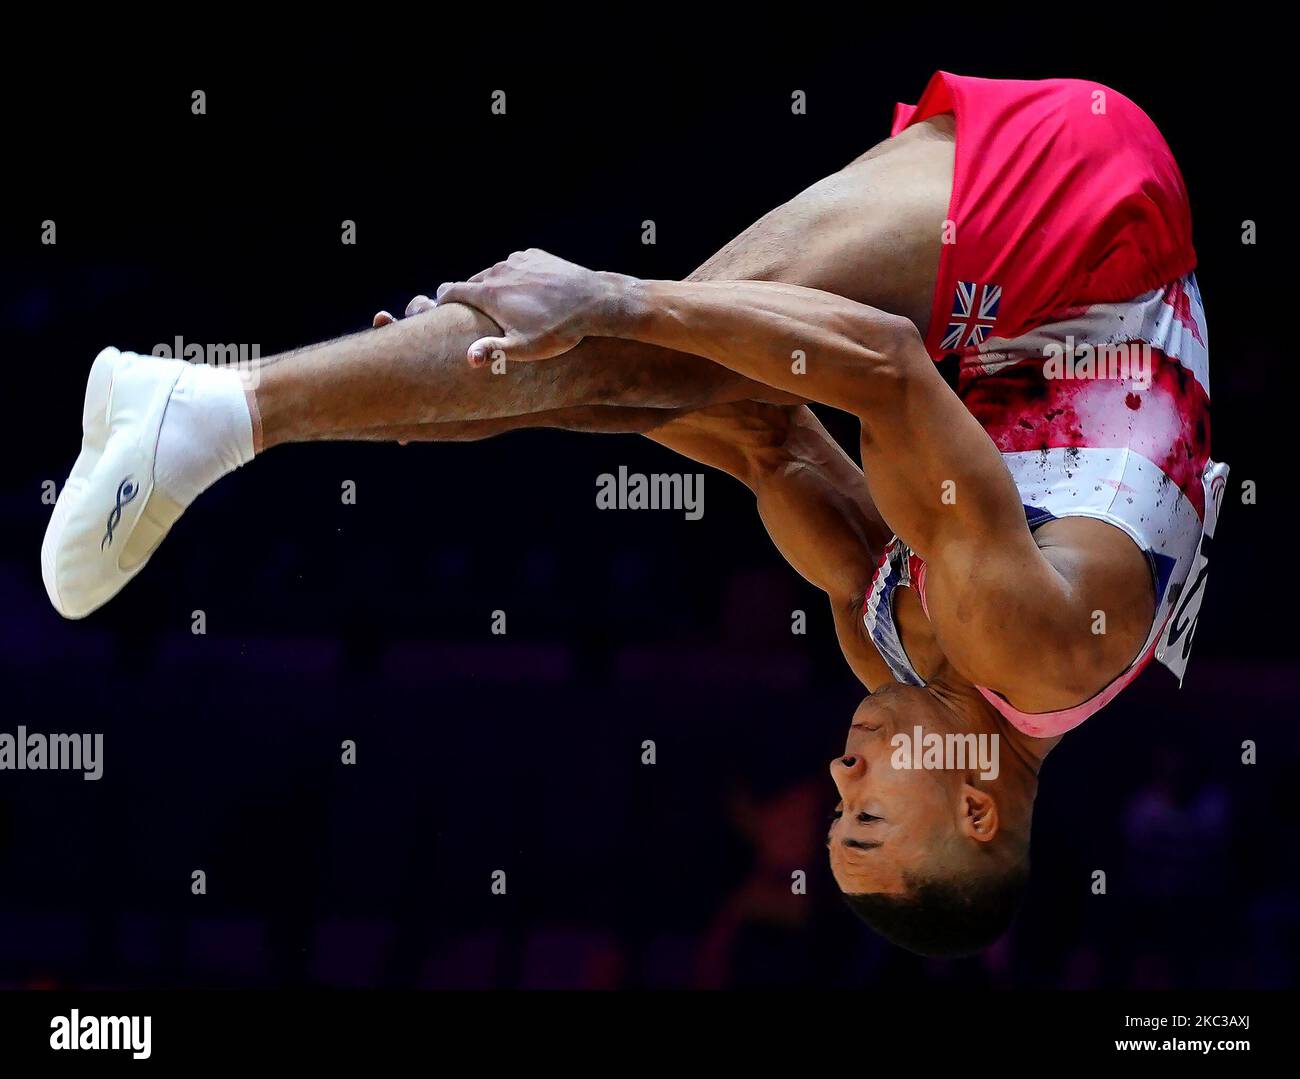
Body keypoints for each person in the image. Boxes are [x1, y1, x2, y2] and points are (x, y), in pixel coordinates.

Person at [41, 73, 1223, 955]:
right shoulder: (1035, 645)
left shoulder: (892, 649)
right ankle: (221, 407)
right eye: (864, 813)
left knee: (632, 370)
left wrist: (459, 400)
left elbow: (764, 439)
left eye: (836, 808)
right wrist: (604, 302)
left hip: (1013, 304)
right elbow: (882, 367)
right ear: (974, 802)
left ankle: (258, 406)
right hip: (1095, 222)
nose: (834, 771)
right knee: (642, 338)